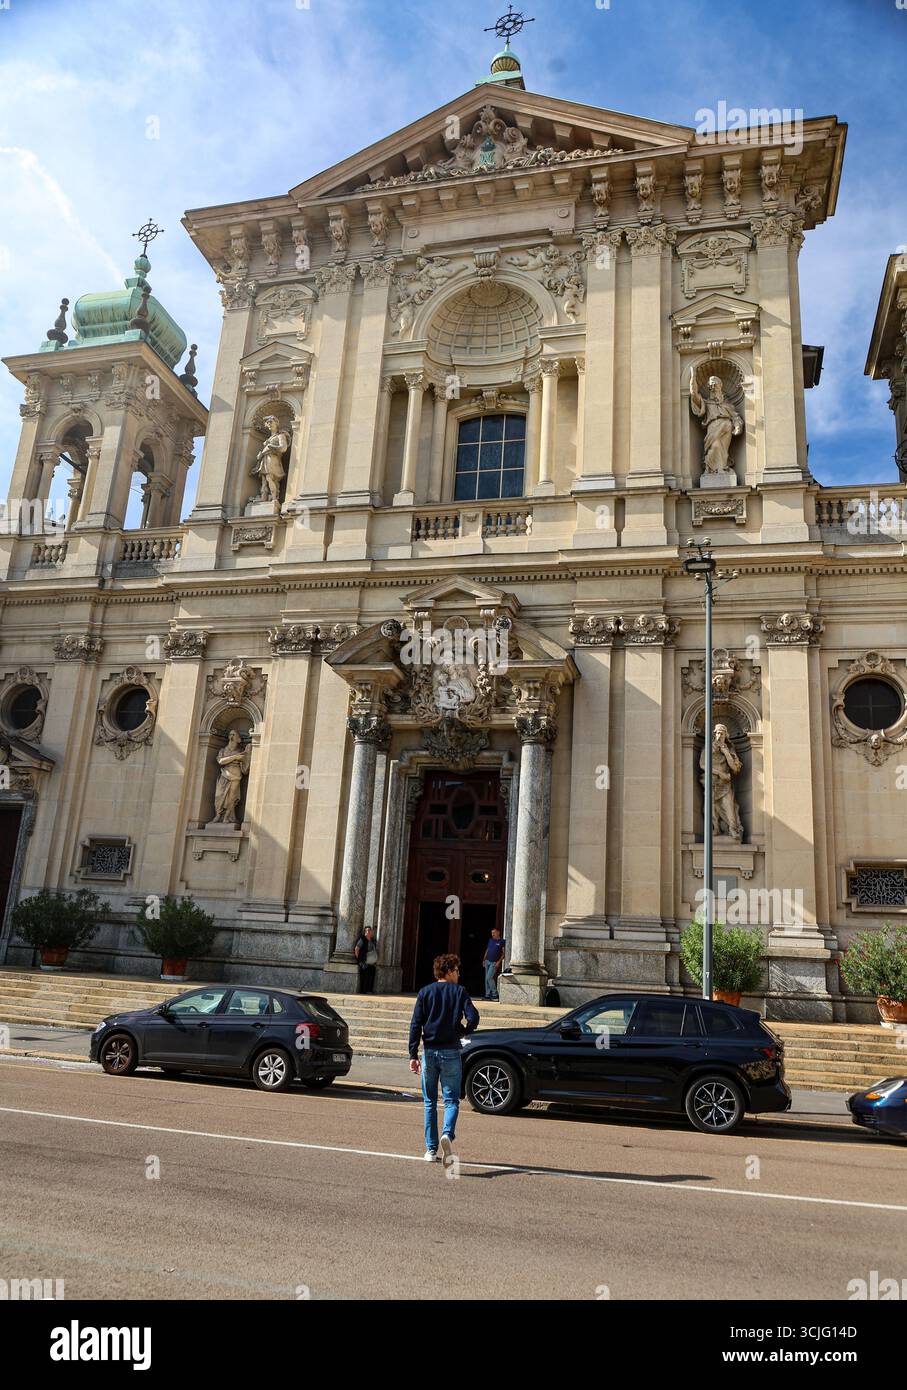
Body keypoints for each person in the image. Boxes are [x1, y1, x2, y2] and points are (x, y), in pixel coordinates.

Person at [409, 954, 479, 1163]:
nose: (459, 974)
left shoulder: (425, 992)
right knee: (451, 1101)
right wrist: (465, 1030)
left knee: (429, 1102)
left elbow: (415, 1025)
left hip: (429, 1051)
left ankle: (431, 1150)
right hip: (450, 1051)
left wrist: (413, 1054)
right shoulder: (459, 992)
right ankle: (447, 1134)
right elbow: (473, 1017)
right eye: (457, 970)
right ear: (448, 971)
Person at [482, 927, 505, 1000]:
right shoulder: (490, 940)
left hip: (494, 962)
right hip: (487, 961)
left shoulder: (502, 941)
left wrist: (499, 962)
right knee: (486, 979)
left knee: (489, 977)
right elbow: (487, 950)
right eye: (492, 933)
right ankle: (487, 995)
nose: (493, 934)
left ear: (498, 932)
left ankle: (495, 994)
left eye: (494, 932)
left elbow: (504, 954)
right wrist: (484, 959)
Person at [354, 925, 378, 994]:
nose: (368, 932)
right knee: (364, 975)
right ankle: (363, 991)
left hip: (371, 962)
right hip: (363, 961)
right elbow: (356, 949)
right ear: (364, 932)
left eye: (369, 930)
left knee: (372, 973)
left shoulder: (372, 940)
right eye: (366, 931)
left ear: (371, 932)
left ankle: (369, 990)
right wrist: (359, 958)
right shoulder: (362, 939)